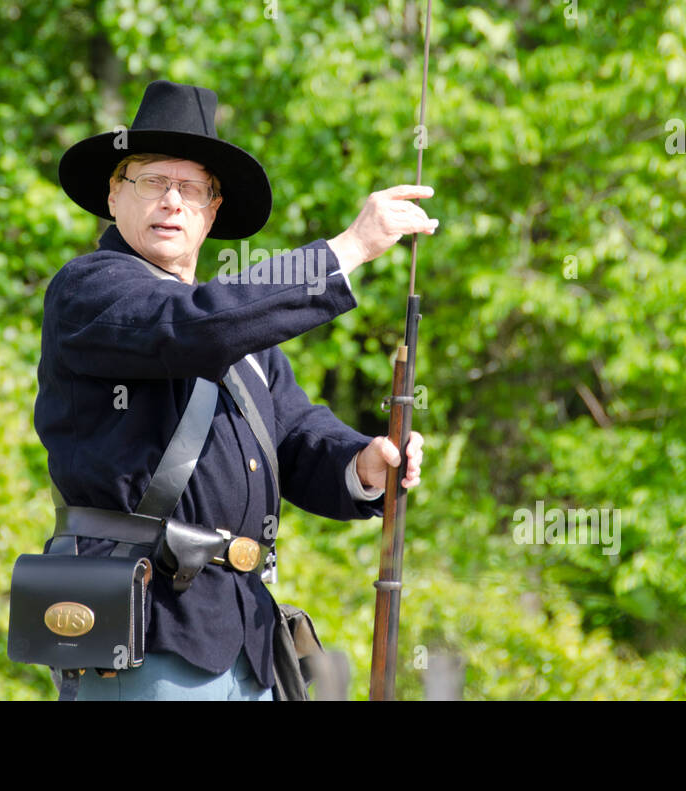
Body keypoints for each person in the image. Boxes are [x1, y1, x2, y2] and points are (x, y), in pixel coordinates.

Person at [35, 79, 437, 700]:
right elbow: (192, 327)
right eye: (150, 181)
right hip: (143, 629)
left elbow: (299, 437)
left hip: (246, 635)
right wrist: (348, 249)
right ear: (114, 195)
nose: (172, 200)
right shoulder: (90, 288)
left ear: (212, 211)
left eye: (191, 187)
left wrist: (367, 464)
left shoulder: (239, 330)